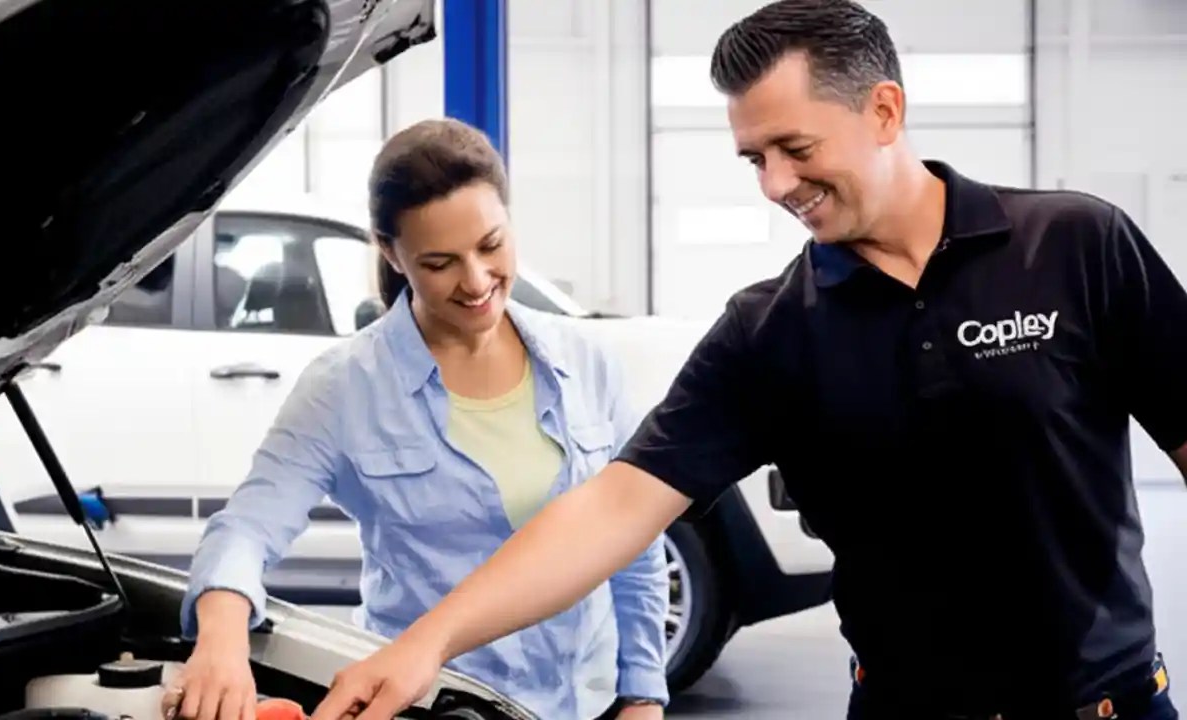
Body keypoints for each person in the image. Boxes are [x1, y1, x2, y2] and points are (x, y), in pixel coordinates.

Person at [311, 1, 1187, 719]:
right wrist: (428, 640)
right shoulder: (772, 331)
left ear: (884, 110)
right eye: (753, 158)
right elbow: (614, 507)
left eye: (795, 150)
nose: (773, 185)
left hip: (1108, 707)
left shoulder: (1073, 245)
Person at [170, 118, 671, 720]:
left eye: (491, 245)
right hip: (429, 706)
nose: (478, 281)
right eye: (440, 263)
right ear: (390, 251)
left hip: (581, 704)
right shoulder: (345, 388)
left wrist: (642, 694)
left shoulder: (587, 363)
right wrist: (221, 636)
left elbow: (634, 537)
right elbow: (248, 527)